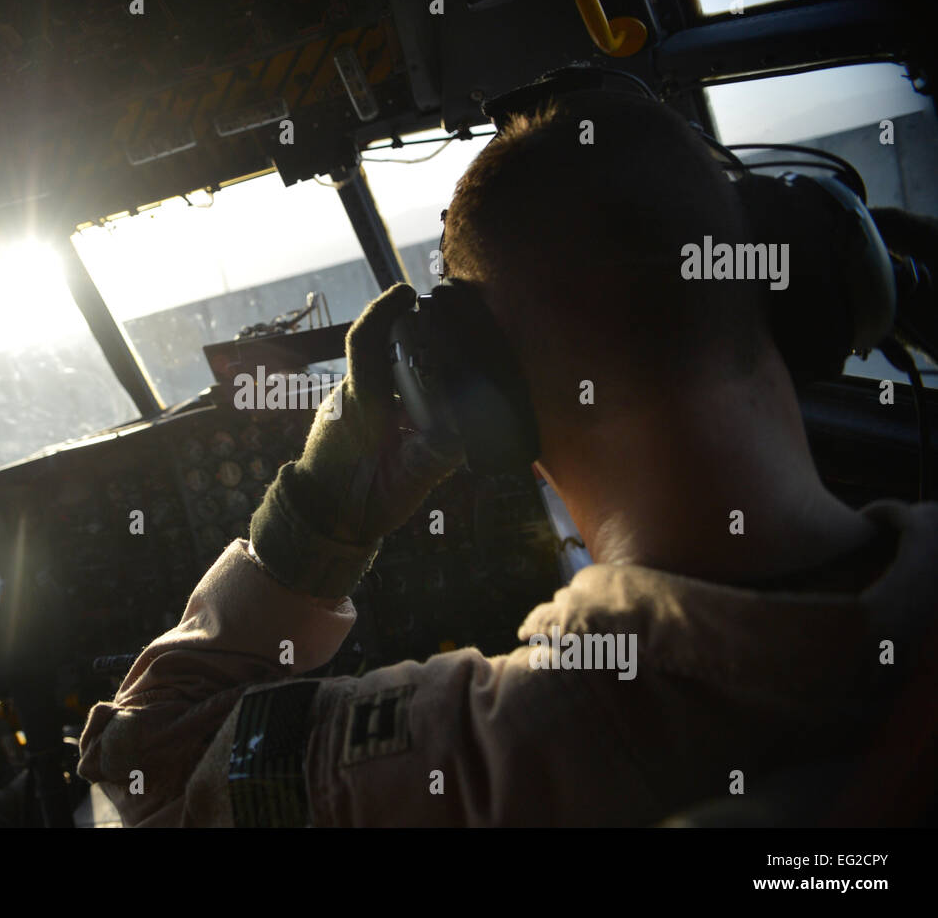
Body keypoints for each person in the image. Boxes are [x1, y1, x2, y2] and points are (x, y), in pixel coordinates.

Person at [76, 89, 938, 826]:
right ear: (820, 295)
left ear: (467, 394)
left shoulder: (479, 754)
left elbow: (147, 769)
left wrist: (316, 519)